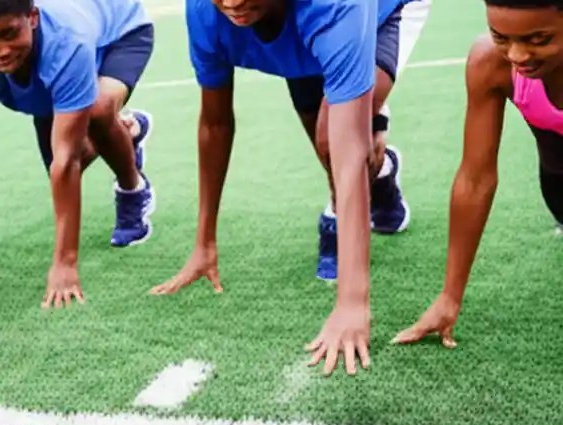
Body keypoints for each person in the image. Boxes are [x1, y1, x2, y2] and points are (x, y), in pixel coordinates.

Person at [151, 0, 428, 376]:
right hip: (295, 26)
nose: (232, 2)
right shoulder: (205, 10)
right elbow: (215, 125)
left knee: (336, 137)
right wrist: (204, 245)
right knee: (331, 137)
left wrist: (352, 302)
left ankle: (368, 144)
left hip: (381, 10)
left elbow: (347, 155)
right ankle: (382, 178)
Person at [0, 0, 157, 309]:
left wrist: (65, 263)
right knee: (56, 167)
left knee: (100, 111)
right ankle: (128, 133)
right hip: (59, 60)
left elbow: (68, 163)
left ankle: (133, 189)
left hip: (119, 33)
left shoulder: (67, 46)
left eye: (8, 34)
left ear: (32, 18)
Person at [394, 0, 563, 349]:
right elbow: (476, 179)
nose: (516, 54)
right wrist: (449, 297)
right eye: (501, 36)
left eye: (538, 39)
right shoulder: (491, 62)